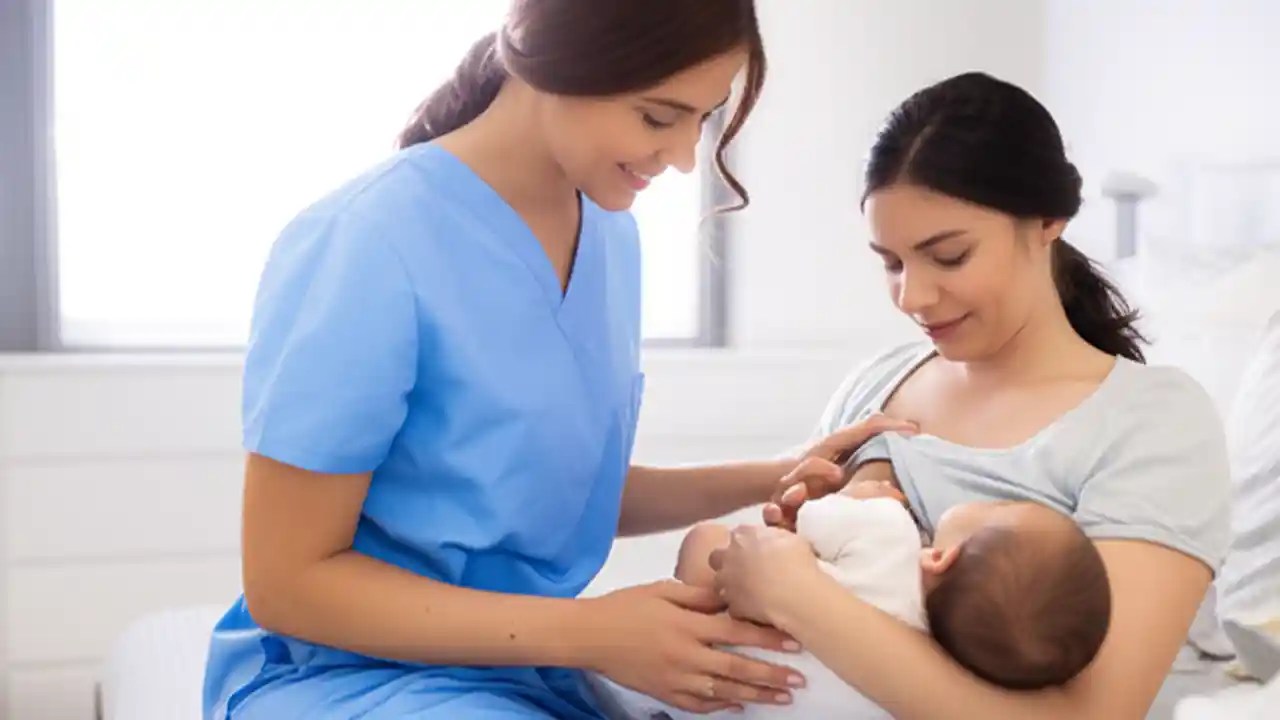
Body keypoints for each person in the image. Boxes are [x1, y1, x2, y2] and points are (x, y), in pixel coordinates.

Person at [201, 2, 916, 718]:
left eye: (703, 118)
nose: (682, 158)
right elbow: (288, 584)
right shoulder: (364, 243)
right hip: (342, 677)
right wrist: (593, 632)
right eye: (658, 117)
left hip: (519, 669)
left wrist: (781, 473)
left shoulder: (609, 235)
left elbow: (550, 494)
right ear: (557, 61)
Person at [709, 71, 1232, 719]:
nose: (913, 297)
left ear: (1048, 221)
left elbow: (1090, 716)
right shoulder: (879, 384)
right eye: (892, 263)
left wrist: (799, 596)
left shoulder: (1153, 424)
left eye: (949, 256)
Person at [592, 479, 1111, 720]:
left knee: (708, 540)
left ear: (940, 559)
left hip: (724, 665)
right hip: (763, 706)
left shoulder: (893, 535)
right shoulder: (944, 663)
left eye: (997, 506)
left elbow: (815, 516)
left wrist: (867, 499)